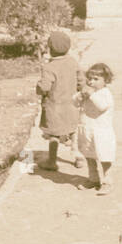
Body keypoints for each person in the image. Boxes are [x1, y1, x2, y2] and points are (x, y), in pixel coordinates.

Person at [35, 30, 79, 171]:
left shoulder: (49, 67)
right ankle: (79, 158)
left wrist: (38, 87)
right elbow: (81, 80)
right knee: (73, 131)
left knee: (54, 133)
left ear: (50, 48)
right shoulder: (73, 62)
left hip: (55, 107)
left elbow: (45, 87)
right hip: (72, 104)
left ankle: (52, 161)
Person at [76, 63, 116, 195]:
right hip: (87, 130)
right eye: (90, 79)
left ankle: (107, 181)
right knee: (89, 154)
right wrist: (80, 97)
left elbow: (102, 106)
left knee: (104, 156)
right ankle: (93, 178)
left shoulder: (105, 93)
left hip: (101, 132)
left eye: (96, 79)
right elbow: (75, 103)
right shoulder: (88, 92)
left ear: (106, 80)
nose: (91, 82)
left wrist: (91, 95)